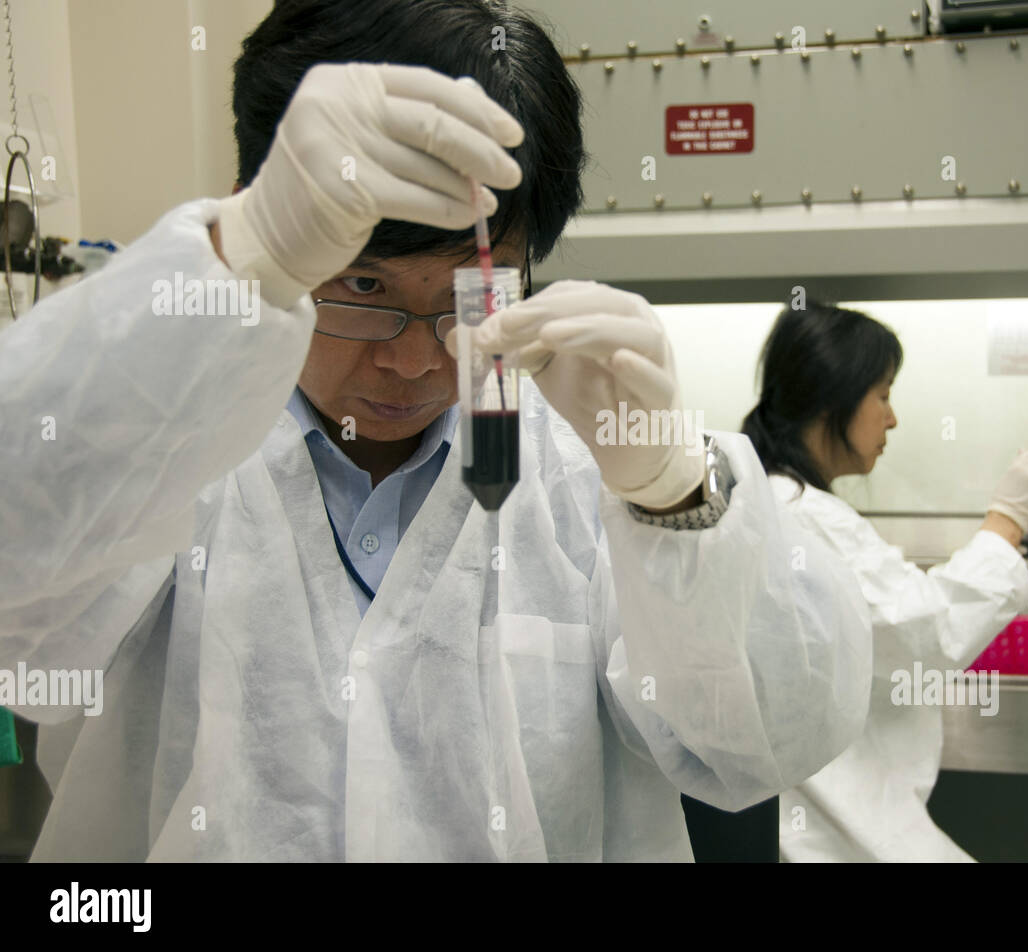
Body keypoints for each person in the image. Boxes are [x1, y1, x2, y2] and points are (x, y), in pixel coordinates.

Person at [0, 0, 875, 862]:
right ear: (270, 215)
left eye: (467, 296)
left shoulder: (582, 467)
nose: (417, 361)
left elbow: (763, 747)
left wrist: (675, 496)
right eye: (365, 290)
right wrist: (237, 260)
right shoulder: (154, 431)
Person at [741, 301, 1028, 862]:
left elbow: (885, 613)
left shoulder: (777, 502)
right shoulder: (802, 515)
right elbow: (925, 633)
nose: (892, 418)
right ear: (832, 396)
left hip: (823, 811)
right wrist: (1005, 522)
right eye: (883, 394)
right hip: (832, 827)